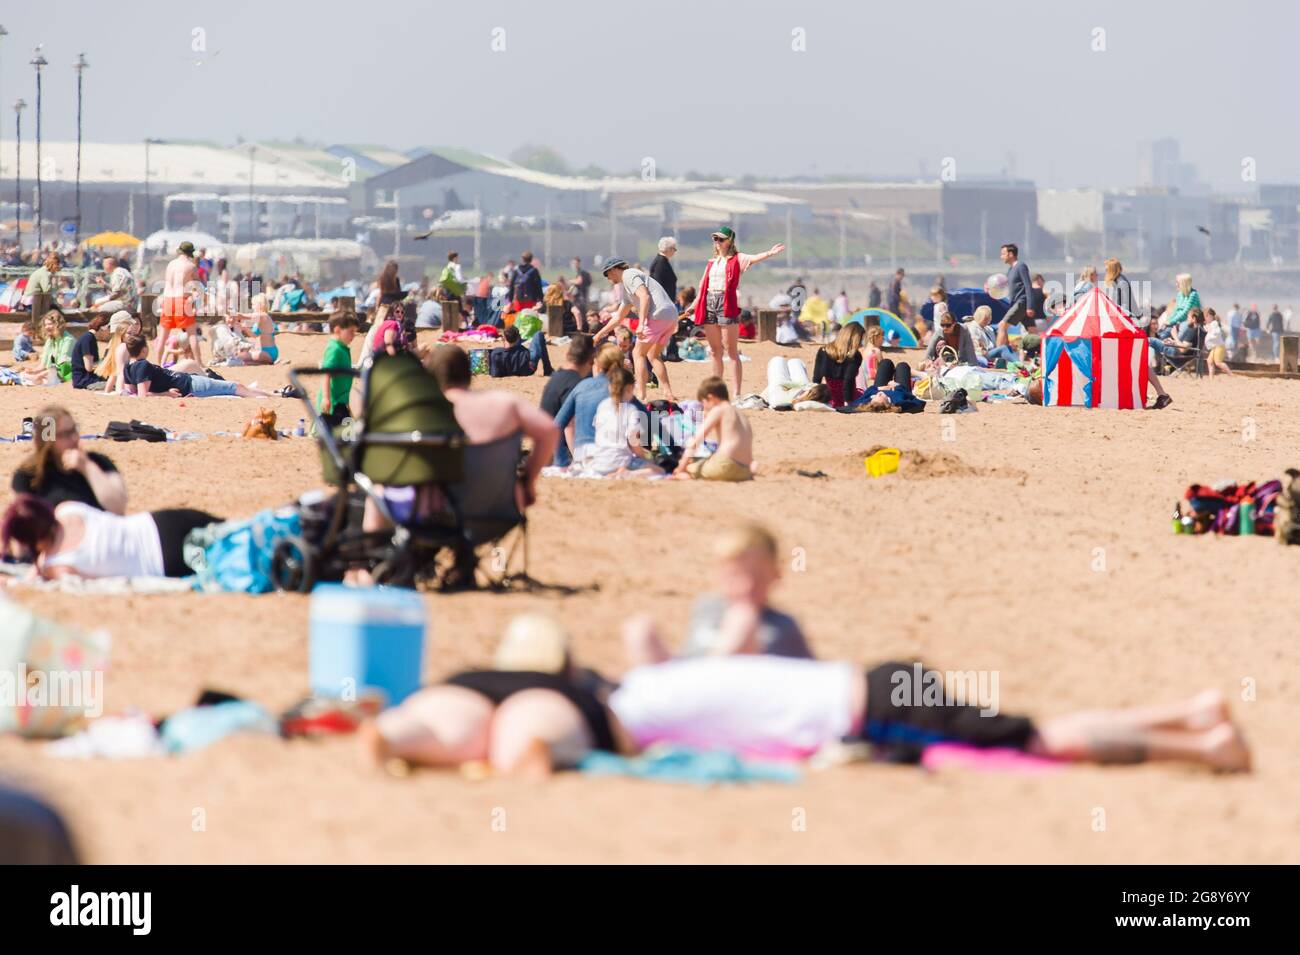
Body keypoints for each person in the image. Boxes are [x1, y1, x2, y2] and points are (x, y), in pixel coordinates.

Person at [607, 655, 1250, 770]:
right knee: (1031, 730)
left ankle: (1203, 746)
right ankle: (1192, 714)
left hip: (880, 708)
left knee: (1038, 740)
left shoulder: (638, 719)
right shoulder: (648, 685)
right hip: (878, 683)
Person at [622, 523, 812, 662]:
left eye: (757, 576)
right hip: (687, 690)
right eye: (734, 576)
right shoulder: (706, 608)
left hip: (737, 704)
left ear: (776, 575)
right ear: (719, 574)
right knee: (640, 630)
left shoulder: (783, 627)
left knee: (743, 622)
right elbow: (686, 658)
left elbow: (810, 682)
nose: (746, 586)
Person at [428, 345, 559, 508]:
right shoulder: (504, 402)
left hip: (440, 506)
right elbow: (550, 430)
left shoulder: (423, 411)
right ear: (469, 374)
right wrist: (529, 479)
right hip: (500, 506)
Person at [1, 494, 218, 580]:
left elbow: (29, 581)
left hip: (164, 560)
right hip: (163, 522)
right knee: (237, 532)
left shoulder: (55, 566)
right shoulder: (68, 509)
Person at [693, 226, 785, 398]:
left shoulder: (738, 258)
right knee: (714, 350)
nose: (717, 242)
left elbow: (754, 258)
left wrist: (770, 253)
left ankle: (736, 392)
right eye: (715, 239)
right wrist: (693, 305)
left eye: (721, 239)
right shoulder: (712, 262)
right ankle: (716, 389)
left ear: (729, 241)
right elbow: (701, 287)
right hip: (709, 301)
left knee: (732, 350)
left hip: (727, 303)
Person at [11, 406, 127, 514]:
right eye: (66, 434)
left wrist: (87, 467)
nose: (75, 438)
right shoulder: (29, 474)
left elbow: (118, 508)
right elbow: (22, 521)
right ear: (49, 441)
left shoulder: (98, 462)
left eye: (74, 430)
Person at [593, 257, 678, 402]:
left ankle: (641, 393)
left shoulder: (629, 275)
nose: (608, 278)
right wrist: (600, 333)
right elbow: (619, 317)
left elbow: (644, 297)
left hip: (656, 316)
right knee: (653, 355)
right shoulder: (627, 289)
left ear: (614, 269)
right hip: (670, 316)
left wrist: (641, 323)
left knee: (637, 353)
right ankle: (668, 392)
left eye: (607, 274)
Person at [123, 335, 271, 399]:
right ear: (143, 350)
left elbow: (132, 392)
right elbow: (142, 395)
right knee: (236, 388)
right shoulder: (142, 365)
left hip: (190, 382)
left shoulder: (127, 368)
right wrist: (165, 394)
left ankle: (273, 394)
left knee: (235, 388)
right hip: (191, 385)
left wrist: (163, 393)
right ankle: (263, 397)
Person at [583, 367, 661, 478]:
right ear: (629, 388)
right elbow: (633, 441)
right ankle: (627, 473)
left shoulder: (602, 405)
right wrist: (644, 459)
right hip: (620, 462)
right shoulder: (630, 409)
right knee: (658, 471)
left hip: (599, 461)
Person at [553, 344, 624, 467]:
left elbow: (556, 426)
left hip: (584, 457)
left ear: (596, 363)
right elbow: (651, 424)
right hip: (613, 457)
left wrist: (561, 462)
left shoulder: (582, 386)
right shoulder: (620, 389)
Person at [672, 377, 753, 482]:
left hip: (726, 466)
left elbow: (696, 441)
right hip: (745, 471)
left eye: (704, 403)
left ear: (710, 397)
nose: (704, 408)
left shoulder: (719, 410)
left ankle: (686, 476)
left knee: (689, 467)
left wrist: (681, 469)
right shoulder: (739, 413)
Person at [539, 335, 595, 467]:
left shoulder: (557, 377)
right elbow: (570, 426)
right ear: (590, 361)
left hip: (545, 444)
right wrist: (579, 460)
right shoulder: (575, 384)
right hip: (560, 450)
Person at [155, 241, 202, 367]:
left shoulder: (171, 264)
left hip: (168, 299)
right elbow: (197, 286)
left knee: (163, 335)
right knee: (192, 334)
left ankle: (158, 363)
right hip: (182, 299)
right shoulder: (191, 266)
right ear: (190, 253)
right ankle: (199, 363)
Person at [318, 313, 359, 431]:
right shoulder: (334, 349)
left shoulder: (342, 348)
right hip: (333, 402)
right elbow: (326, 374)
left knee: (347, 434)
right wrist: (326, 398)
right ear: (337, 330)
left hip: (341, 401)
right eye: (351, 331)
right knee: (340, 436)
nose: (354, 335)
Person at [812, 322, 864, 407]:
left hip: (829, 397)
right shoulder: (854, 356)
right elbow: (848, 380)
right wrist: (848, 402)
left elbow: (816, 378)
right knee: (862, 383)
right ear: (856, 338)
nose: (861, 343)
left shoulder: (823, 350)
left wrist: (815, 396)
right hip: (848, 397)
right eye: (861, 339)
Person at [95, 311, 140, 393]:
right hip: (120, 383)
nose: (135, 328)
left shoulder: (115, 344)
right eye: (130, 332)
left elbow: (114, 372)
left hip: (116, 381)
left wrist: (106, 392)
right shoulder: (122, 346)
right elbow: (120, 372)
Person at [489, 324, 553, 377]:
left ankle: (511, 342)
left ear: (504, 338)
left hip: (510, 364)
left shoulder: (496, 353)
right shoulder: (524, 352)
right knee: (539, 334)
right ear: (518, 339)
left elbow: (495, 373)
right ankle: (548, 369)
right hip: (527, 370)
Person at [69, 314, 111, 391]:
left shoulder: (88, 337)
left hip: (84, 379)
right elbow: (89, 367)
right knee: (114, 383)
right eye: (109, 329)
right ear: (103, 328)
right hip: (85, 380)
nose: (109, 333)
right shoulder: (88, 339)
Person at [1001, 243, 1035, 330]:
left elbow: (1028, 286)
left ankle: (1001, 344)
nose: (1002, 257)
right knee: (1032, 329)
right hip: (1015, 303)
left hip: (1021, 303)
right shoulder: (1010, 270)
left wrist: (1030, 306)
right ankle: (1038, 344)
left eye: (1003, 254)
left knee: (1002, 326)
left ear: (1011, 254)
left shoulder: (1021, 266)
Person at [237, 293, 279, 364]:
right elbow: (255, 335)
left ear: (260, 305)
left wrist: (229, 312)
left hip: (268, 352)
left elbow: (242, 316)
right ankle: (262, 362)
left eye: (253, 304)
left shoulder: (263, 315)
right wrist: (244, 328)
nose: (252, 307)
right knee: (244, 358)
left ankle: (266, 361)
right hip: (266, 351)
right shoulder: (261, 318)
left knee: (238, 357)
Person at [38, 311, 77, 381]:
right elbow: (43, 364)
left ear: (57, 324)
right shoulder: (50, 340)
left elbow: (63, 366)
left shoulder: (68, 340)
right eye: (45, 325)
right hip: (55, 372)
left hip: (68, 373)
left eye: (50, 324)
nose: (47, 327)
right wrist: (32, 371)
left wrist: (39, 375)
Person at [1203, 309, 1233, 378]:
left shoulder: (1214, 323)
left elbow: (1216, 332)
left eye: (1207, 316)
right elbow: (1206, 329)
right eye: (1205, 316)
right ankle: (1211, 378)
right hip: (1215, 347)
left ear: (1211, 316)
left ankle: (1231, 374)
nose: (1205, 318)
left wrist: (1209, 331)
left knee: (1218, 362)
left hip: (1219, 346)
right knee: (1209, 361)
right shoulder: (1210, 324)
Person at [649, 237, 678, 303]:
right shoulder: (661, 262)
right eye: (674, 249)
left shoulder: (662, 261)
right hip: (662, 302)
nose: (675, 251)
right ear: (669, 249)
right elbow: (659, 283)